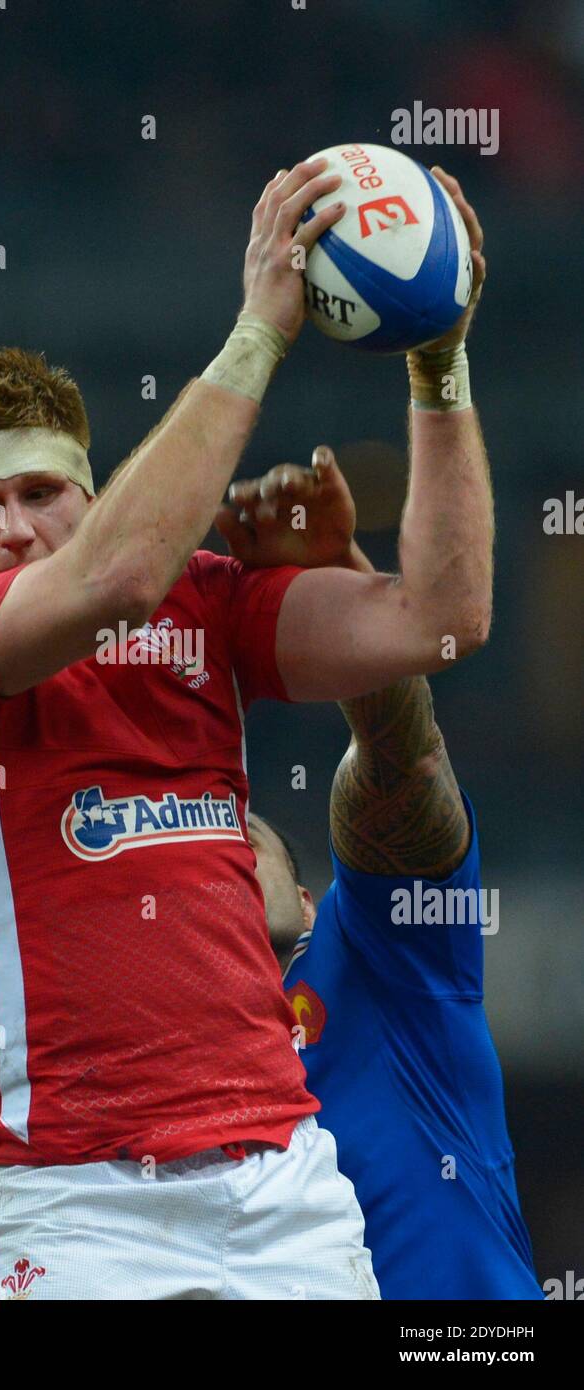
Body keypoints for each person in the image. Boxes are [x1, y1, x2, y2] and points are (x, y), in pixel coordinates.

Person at [0, 158, 490, 1300]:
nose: (14, 530)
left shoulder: (204, 601)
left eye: (43, 493)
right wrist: (259, 328)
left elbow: (440, 617)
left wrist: (438, 364)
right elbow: (118, 579)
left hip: (281, 1181)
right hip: (69, 1194)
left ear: (93, 490)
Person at [232, 465, 540, 1300]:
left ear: (307, 905)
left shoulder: (378, 953)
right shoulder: (154, 1064)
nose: (217, 853)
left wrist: (339, 583)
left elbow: (400, 763)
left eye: (244, 837)